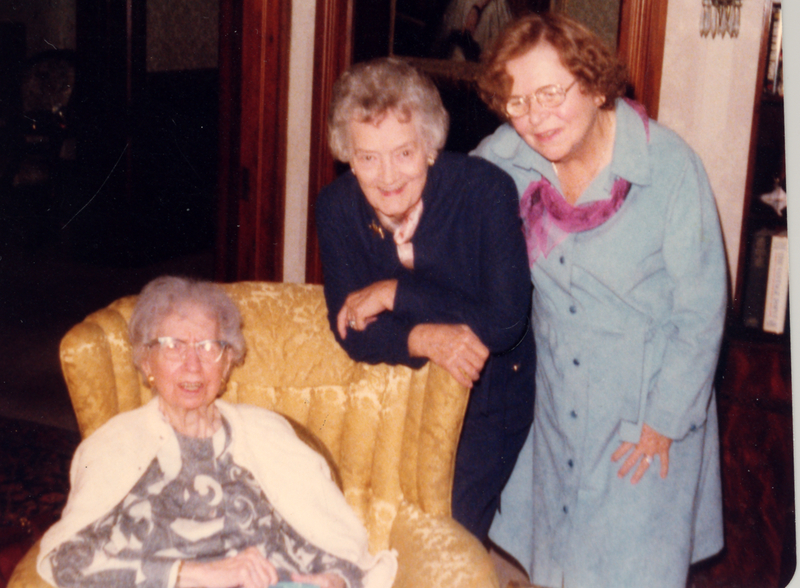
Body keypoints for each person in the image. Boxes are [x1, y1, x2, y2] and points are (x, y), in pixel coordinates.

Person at [471, 12, 727, 588]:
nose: (536, 117)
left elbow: (701, 312)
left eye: (551, 94)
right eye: (517, 102)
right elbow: (440, 206)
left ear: (592, 84)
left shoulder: (669, 166)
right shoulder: (506, 159)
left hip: (644, 415)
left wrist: (664, 420)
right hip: (556, 405)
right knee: (556, 566)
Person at [36, 276, 397, 588]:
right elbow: (68, 560)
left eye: (209, 347)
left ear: (226, 365)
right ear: (147, 361)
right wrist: (190, 574)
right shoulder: (114, 445)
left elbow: (337, 546)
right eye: (173, 346)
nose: (192, 365)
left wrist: (332, 579)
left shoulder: (268, 434)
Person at [315, 57, 535, 543]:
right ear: (347, 155)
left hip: (487, 395)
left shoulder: (484, 191)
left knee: (445, 536)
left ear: (430, 147)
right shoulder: (336, 208)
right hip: (397, 390)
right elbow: (351, 328)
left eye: (404, 153)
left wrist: (394, 293)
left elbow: (503, 323)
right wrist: (423, 337)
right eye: (368, 157)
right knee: (371, 527)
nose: (387, 176)